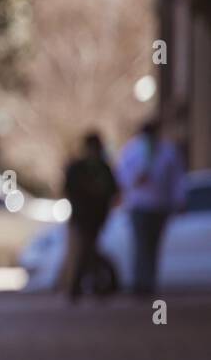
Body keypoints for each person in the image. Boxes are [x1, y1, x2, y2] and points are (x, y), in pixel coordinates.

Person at [115, 118, 185, 297]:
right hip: (139, 204)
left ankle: (149, 281)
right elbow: (121, 175)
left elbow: (176, 179)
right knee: (140, 244)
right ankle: (139, 282)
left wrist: (178, 201)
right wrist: (134, 180)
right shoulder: (132, 150)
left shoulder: (168, 151)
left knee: (153, 245)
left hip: (159, 205)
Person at [60, 131, 119, 301]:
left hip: (96, 218)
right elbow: (69, 190)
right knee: (82, 250)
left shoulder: (102, 168)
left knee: (87, 250)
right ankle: (80, 286)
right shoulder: (79, 168)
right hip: (81, 217)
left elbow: (112, 191)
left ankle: (87, 285)